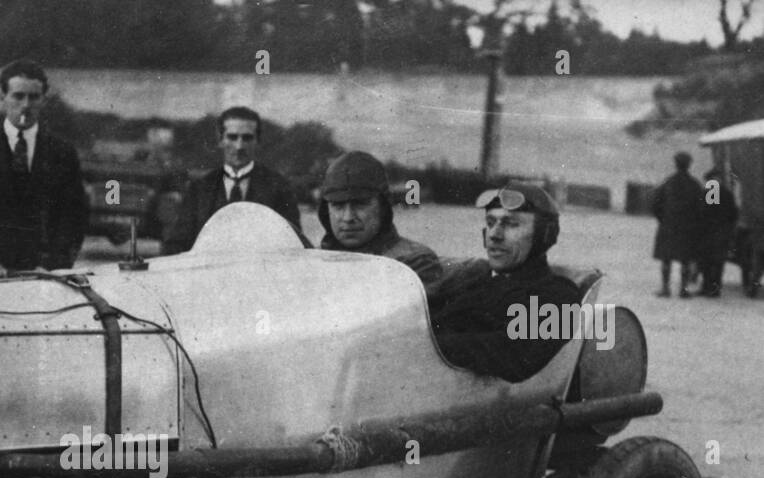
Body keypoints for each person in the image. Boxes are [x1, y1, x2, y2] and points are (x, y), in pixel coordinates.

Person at [427, 182, 582, 383]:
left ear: (543, 235)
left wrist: (424, 344)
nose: (494, 234)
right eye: (491, 223)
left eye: (511, 224)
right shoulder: (469, 280)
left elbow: (516, 357)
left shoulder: (559, 297)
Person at [0, 59, 87, 280]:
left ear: (43, 100)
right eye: (18, 96)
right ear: (2, 98)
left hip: (45, 279)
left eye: (34, 97)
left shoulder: (62, 153)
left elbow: (73, 218)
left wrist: (53, 265)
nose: (26, 104)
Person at [161, 106, 301, 254]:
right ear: (221, 140)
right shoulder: (199, 189)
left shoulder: (279, 187)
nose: (239, 146)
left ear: (257, 141)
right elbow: (177, 244)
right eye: (232, 137)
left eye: (247, 138)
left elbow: (293, 245)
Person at [317, 150, 441, 285]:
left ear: (383, 207)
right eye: (338, 205)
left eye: (360, 204)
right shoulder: (312, 262)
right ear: (326, 209)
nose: (348, 217)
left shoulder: (415, 263)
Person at [651, 151, 705, 298]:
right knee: (686, 260)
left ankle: (665, 288)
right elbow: (701, 208)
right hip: (688, 229)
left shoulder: (668, 182)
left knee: (666, 259)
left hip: (668, 226)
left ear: (676, 164)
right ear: (689, 165)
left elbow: (655, 204)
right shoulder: (695, 185)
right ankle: (683, 289)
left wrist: (663, 219)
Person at [699, 162, 739, 298]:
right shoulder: (726, 192)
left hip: (709, 232)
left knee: (707, 261)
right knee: (717, 262)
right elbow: (734, 214)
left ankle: (708, 287)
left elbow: (708, 212)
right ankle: (714, 288)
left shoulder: (713, 190)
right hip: (722, 232)